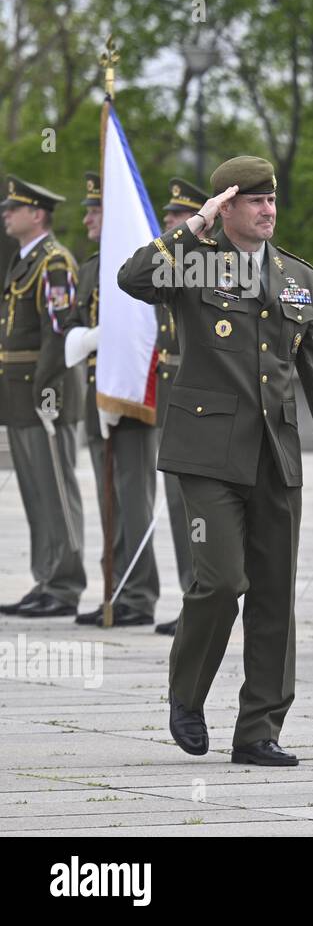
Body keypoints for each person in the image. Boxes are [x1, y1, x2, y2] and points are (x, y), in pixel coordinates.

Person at [117, 155, 313, 766]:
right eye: (253, 201)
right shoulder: (195, 263)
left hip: (274, 454)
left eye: (271, 199)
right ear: (225, 207)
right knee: (222, 580)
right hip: (207, 453)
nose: (268, 210)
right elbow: (132, 277)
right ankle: (187, 694)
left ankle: (259, 729)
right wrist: (192, 226)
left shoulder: (297, 277)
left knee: (275, 592)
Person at [67, 172, 161, 627]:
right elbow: (70, 321)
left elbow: (151, 329)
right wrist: (87, 339)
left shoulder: (137, 263)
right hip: (96, 392)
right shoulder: (91, 266)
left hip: (129, 394)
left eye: (95, 210)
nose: (87, 218)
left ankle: (138, 594)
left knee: (133, 496)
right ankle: (116, 587)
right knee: (110, 501)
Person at [0, 176, 85, 618]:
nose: (5, 214)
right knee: (36, 495)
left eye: (13, 208)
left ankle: (66, 583)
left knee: (56, 490)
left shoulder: (53, 262)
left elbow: (59, 331)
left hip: (45, 394)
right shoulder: (23, 260)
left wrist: (45, 389)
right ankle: (46, 578)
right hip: (20, 397)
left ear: (37, 214)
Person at [153, 178, 207, 636]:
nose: (172, 223)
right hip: (170, 391)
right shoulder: (175, 266)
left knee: (196, 509)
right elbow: (135, 273)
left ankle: (203, 598)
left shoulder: (209, 267)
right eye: (170, 218)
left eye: (180, 216)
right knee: (175, 505)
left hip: (200, 403)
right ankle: (191, 593)